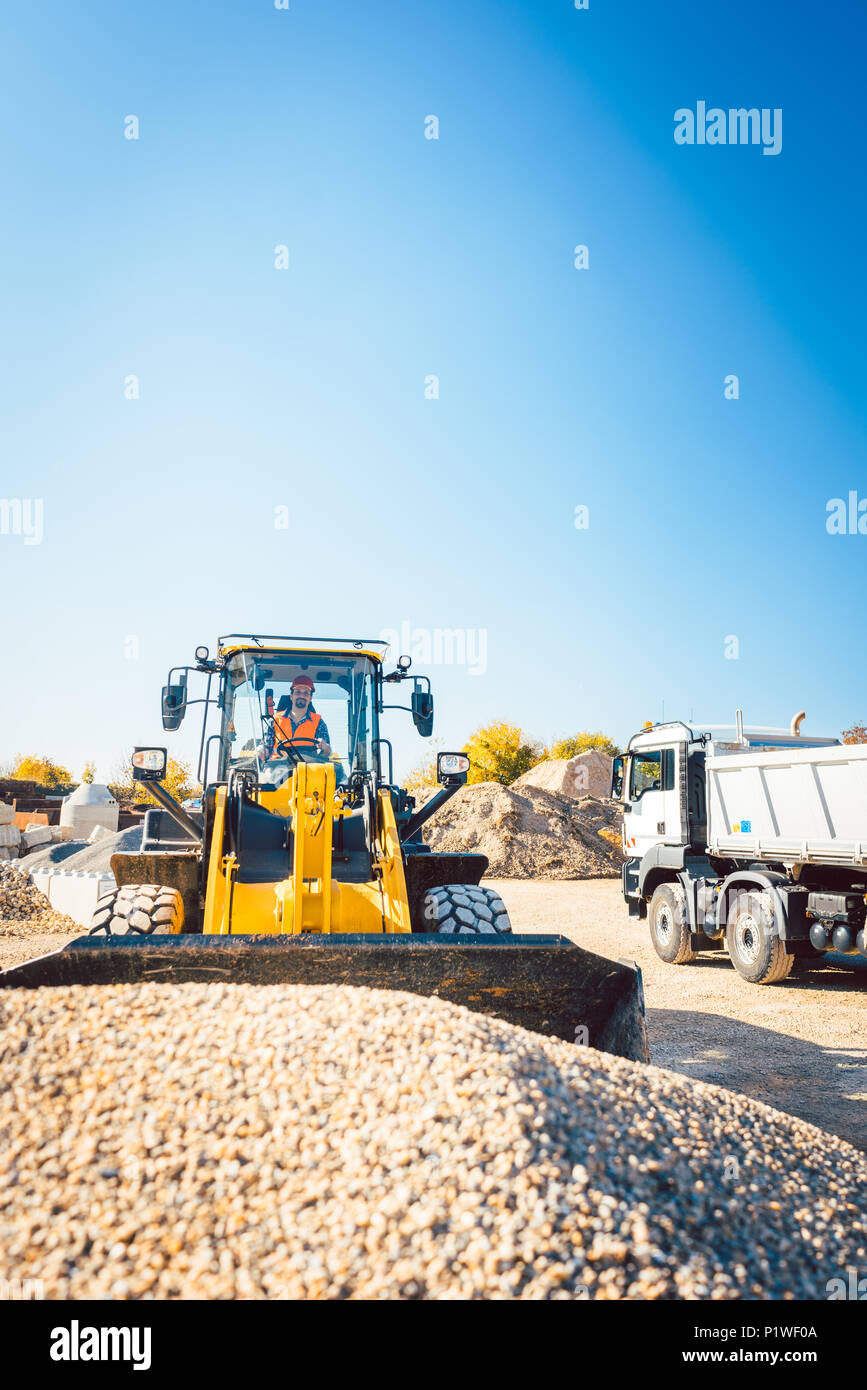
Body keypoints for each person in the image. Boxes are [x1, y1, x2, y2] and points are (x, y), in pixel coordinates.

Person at [270, 675, 332, 758]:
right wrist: (260, 753)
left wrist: (325, 748)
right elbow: (265, 747)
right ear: (291, 696)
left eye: (306, 693)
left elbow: (325, 752)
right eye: (298, 692)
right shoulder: (275, 720)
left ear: (310, 698)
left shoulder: (319, 723)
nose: (302, 696)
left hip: (309, 767)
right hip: (278, 766)